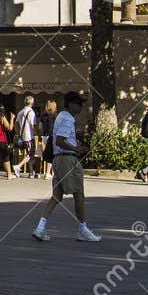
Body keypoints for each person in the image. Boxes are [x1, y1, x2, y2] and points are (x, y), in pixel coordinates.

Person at [32, 91, 102, 243]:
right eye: (79, 103)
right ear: (70, 104)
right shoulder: (66, 118)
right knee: (79, 194)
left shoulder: (62, 117)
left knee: (56, 196)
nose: (81, 106)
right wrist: (77, 149)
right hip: (68, 160)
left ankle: (40, 228)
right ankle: (82, 229)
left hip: (59, 160)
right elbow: (60, 141)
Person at [15, 95, 38, 178]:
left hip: (22, 136)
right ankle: (18, 166)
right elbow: (32, 125)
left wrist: (18, 133)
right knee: (30, 154)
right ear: (32, 103)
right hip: (29, 136)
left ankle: (31, 172)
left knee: (30, 154)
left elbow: (16, 124)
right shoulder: (31, 112)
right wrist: (36, 133)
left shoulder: (20, 112)